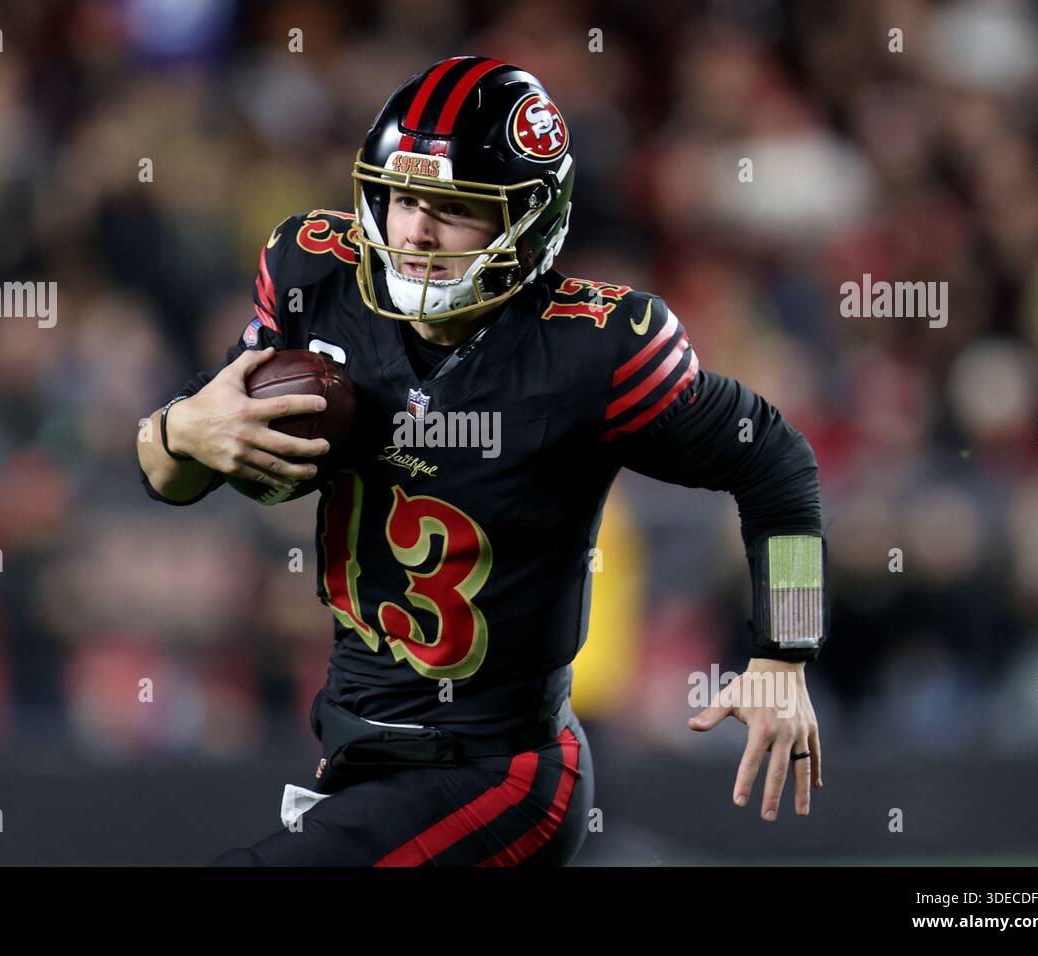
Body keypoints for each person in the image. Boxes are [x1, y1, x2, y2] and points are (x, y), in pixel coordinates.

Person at [137, 56, 827, 866]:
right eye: (400, 199)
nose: (415, 231)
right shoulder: (314, 275)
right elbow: (164, 471)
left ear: (529, 223)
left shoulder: (590, 350)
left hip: (497, 772)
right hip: (358, 752)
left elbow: (777, 462)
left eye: (453, 209)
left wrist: (785, 652)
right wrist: (182, 432)